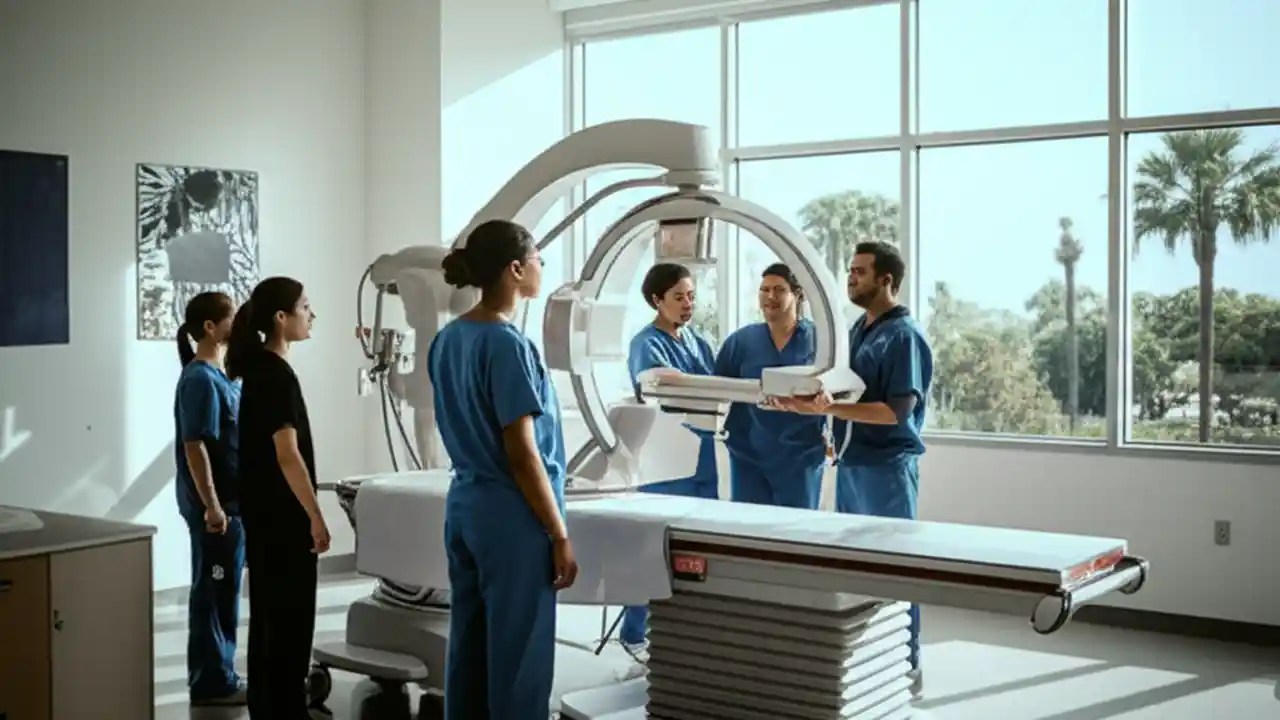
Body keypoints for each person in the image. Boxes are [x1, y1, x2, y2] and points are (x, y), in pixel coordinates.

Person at [427, 219, 579, 720]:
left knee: (469, 651)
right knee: (519, 661)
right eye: (537, 259)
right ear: (516, 269)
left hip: (466, 508)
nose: (541, 267)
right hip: (514, 517)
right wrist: (558, 532)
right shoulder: (507, 344)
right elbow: (522, 452)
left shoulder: (448, 340)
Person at [770, 241, 933, 692]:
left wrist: (832, 411)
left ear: (887, 280)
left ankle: (906, 665)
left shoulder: (905, 337)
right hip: (852, 463)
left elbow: (893, 412)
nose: (851, 277)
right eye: (850, 270)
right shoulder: (860, 329)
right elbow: (846, 394)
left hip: (887, 468)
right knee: (856, 568)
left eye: (860, 271)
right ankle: (867, 660)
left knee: (896, 569)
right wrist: (805, 406)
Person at [226, 276, 328, 720]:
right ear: (281, 318)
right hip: (286, 519)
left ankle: (268, 707)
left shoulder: (257, 372)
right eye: (305, 307)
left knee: (268, 617)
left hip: (263, 517)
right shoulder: (277, 376)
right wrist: (316, 514)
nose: (312, 314)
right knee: (290, 619)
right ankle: (287, 709)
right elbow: (288, 455)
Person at [619, 262, 718, 651]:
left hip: (703, 453)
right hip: (665, 455)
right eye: (679, 297)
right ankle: (635, 635)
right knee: (653, 549)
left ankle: (685, 635)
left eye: (691, 296)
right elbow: (660, 382)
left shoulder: (698, 342)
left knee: (698, 550)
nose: (688, 303)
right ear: (657, 300)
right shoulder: (646, 343)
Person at [173, 291, 247, 707]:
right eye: (232, 316)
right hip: (215, 511)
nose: (237, 323)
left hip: (230, 507)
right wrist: (213, 506)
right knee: (214, 594)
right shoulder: (199, 379)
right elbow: (195, 446)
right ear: (209, 327)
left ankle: (222, 672)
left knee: (223, 592)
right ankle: (212, 682)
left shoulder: (218, 377)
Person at [714, 263, 826, 510]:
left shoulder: (820, 343)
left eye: (779, 290)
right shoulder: (740, 342)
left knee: (796, 535)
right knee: (750, 534)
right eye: (764, 290)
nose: (770, 297)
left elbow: (836, 394)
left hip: (800, 457)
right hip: (748, 457)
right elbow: (717, 389)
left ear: (798, 294)